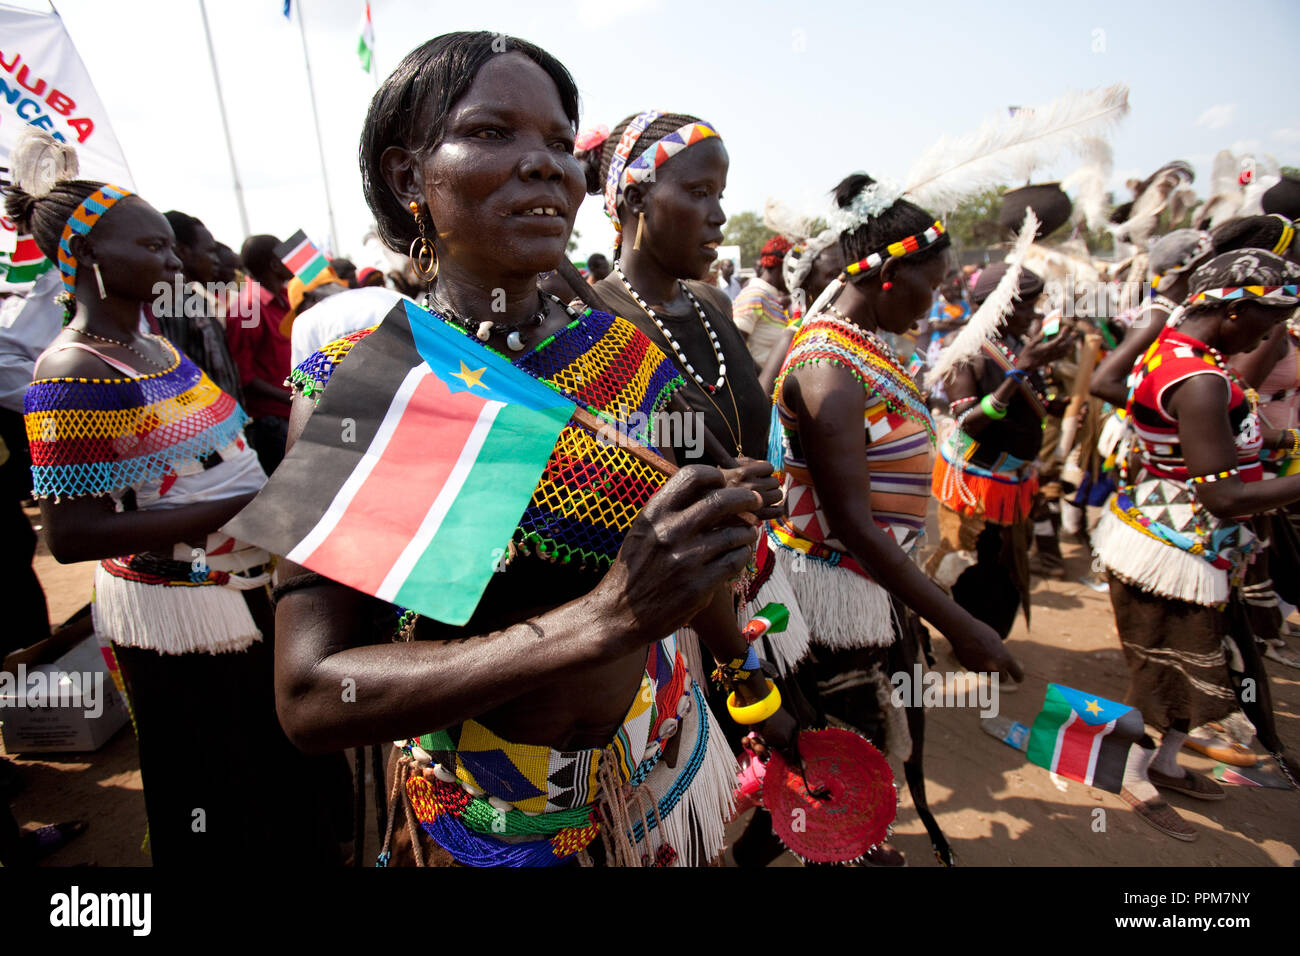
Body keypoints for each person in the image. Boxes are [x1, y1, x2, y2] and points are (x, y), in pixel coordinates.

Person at [254, 32, 789, 867]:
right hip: (484, 822)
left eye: (557, 142)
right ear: (408, 178)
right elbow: (314, 696)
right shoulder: (377, 386)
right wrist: (602, 620)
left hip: (663, 773)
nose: (544, 164)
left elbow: (684, 559)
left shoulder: (624, 353)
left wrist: (745, 669)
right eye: (493, 132)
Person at [4, 129, 350, 866]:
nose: (169, 260)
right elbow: (74, 534)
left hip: (240, 583)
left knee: (271, 769)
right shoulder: (72, 367)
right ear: (87, 257)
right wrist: (247, 509)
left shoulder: (155, 345)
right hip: (181, 614)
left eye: (169, 244)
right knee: (219, 786)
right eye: (150, 247)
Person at [748, 174, 1021, 866]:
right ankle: (823, 843)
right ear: (892, 274)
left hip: (863, 593)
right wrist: (963, 625)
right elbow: (859, 528)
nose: (941, 297)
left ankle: (844, 841)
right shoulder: (829, 371)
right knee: (826, 745)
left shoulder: (854, 348)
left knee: (842, 743)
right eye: (937, 280)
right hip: (828, 600)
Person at [1091, 249, 1300, 839]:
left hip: (1186, 539)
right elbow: (1225, 497)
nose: (1271, 334)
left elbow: (1120, 389)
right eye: (1269, 319)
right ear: (1234, 312)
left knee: (1201, 654)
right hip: (1178, 545)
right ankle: (1130, 773)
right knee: (1165, 661)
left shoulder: (1178, 352)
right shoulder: (1200, 378)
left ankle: (1163, 760)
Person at [581, 110, 771, 464]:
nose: (719, 215)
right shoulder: (594, 321)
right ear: (637, 199)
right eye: (700, 192)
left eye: (719, 195)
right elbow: (614, 475)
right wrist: (714, 494)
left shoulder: (714, 302)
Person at [926, 263, 1077, 643]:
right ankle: (973, 644)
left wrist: (1052, 405)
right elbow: (968, 423)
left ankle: (993, 640)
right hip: (976, 484)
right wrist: (1021, 372)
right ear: (1002, 307)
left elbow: (1025, 401)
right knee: (976, 569)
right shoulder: (965, 350)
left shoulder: (1017, 345)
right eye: (1025, 306)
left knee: (1009, 568)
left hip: (1014, 481)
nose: (1033, 314)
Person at [157, 210, 244, 403]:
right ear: (183, 252)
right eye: (210, 251)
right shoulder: (171, 303)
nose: (216, 260)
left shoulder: (193, 298)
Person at [228, 235, 296, 474]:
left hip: (293, 413)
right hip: (274, 423)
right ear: (275, 265)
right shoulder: (248, 308)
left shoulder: (288, 298)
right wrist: (294, 396)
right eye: (286, 255)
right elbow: (244, 377)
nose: (293, 260)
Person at [731, 236, 792, 368]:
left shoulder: (772, 297)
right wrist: (764, 380)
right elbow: (735, 351)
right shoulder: (753, 295)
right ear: (781, 266)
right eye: (792, 270)